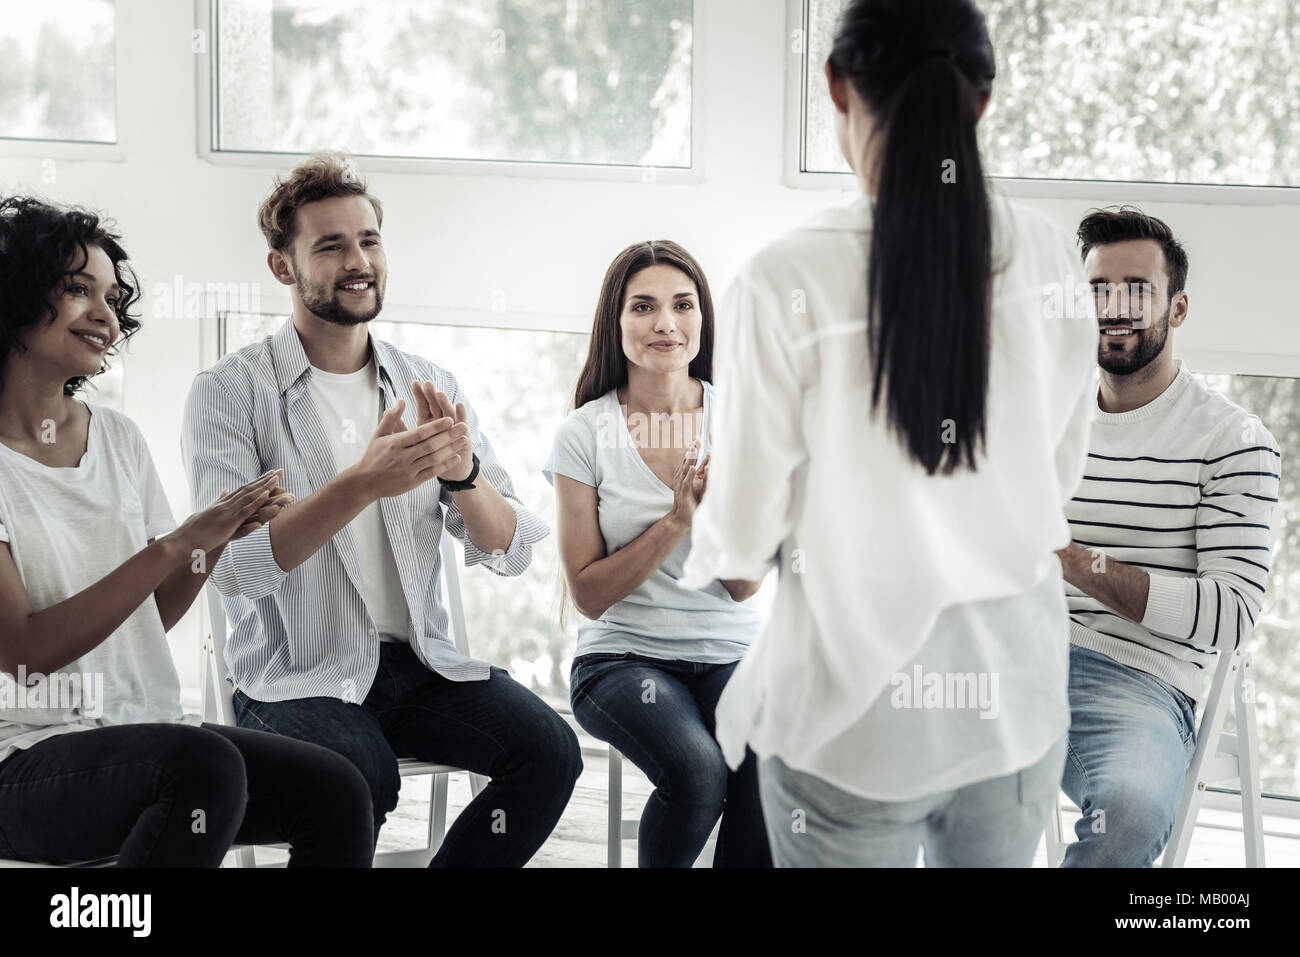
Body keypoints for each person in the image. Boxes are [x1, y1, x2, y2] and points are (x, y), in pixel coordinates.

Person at [679, 0, 1098, 866]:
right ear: (983, 98)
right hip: (1011, 712)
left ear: (837, 84)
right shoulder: (1054, 258)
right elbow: (1055, 485)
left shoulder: (780, 281)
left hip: (848, 728)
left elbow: (743, 546)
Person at [181, 153, 581, 867]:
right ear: (282, 266)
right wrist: (361, 483)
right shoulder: (229, 392)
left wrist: (464, 476)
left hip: (420, 668)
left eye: (369, 240)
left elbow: (511, 549)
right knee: (359, 776)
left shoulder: (427, 382)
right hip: (293, 676)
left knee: (550, 751)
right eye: (330, 246)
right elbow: (231, 569)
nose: (358, 261)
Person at [0, 196, 374, 867]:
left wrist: (216, 537)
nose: (105, 315)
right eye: (79, 289)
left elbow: (149, 617)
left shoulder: (116, 437)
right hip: (21, 760)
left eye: (112, 297)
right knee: (199, 767)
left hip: (141, 733)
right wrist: (178, 543)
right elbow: (23, 652)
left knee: (338, 789)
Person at [1055, 207, 1280, 866]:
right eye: (1098, 290)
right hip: (1007, 650)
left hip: (1135, 680)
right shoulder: (1045, 418)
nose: (1113, 308)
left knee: (1127, 812)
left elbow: (1231, 614)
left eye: (1136, 290)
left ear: (1177, 309)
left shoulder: (1232, 440)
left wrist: (1071, 560)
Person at [545, 240, 771, 867]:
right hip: (623, 660)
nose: (666, 323)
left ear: (702, 318)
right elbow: (589, 594)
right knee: (699, 770)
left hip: (731, 653)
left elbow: (744, 586)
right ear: (615, 323)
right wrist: (676, 521)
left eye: (682, 305)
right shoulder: (584, 433)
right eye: (643, 307)